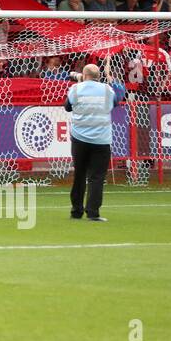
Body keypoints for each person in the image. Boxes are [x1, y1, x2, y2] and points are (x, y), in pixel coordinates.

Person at [65, 63, 124, 222]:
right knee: (96, 177)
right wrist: (109, 75)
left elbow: (67, 107)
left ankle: (76, 211)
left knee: (79, 175)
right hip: (101, 140)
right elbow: (118, 97)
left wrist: (79, 83)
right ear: (99, 76)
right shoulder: (107, 90)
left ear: (84, 75)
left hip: (80, 138)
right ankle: (93, 213)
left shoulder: (75, 89)